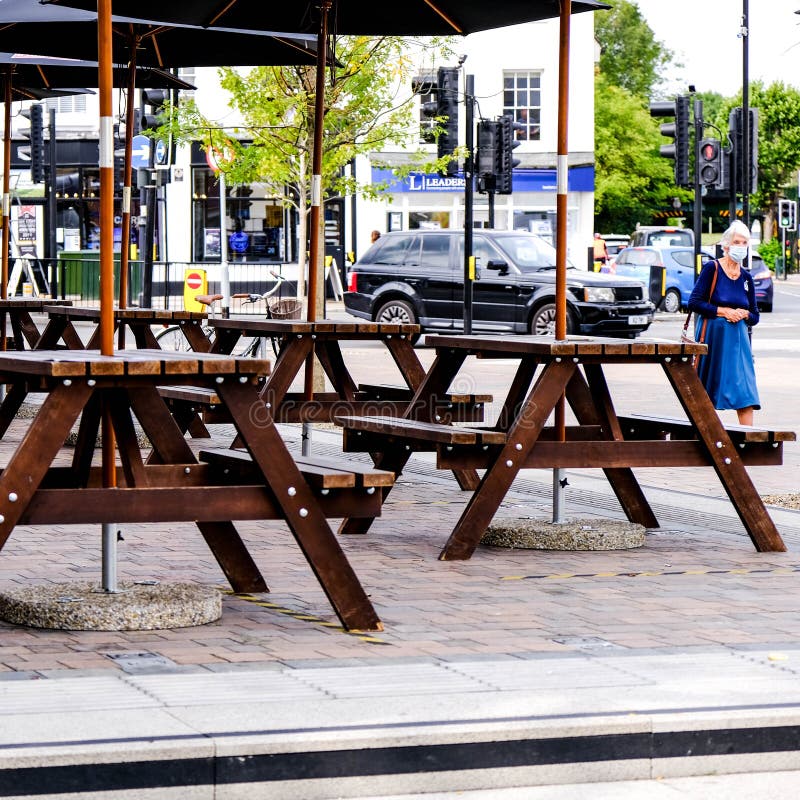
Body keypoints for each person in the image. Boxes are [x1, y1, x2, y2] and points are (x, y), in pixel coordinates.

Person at [688, 220, 760, 426]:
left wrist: (744, 314)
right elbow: (694, 302)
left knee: (746, 393)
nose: (741, 246)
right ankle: (707, 439)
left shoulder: (746, 277)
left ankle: (748, 441)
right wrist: (723, 311)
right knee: (708, 392)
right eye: (737, 242)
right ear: (726, 245)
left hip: (740, 345)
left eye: (744, 242)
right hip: (714, 339)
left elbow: (755, 316)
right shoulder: (713, 268)